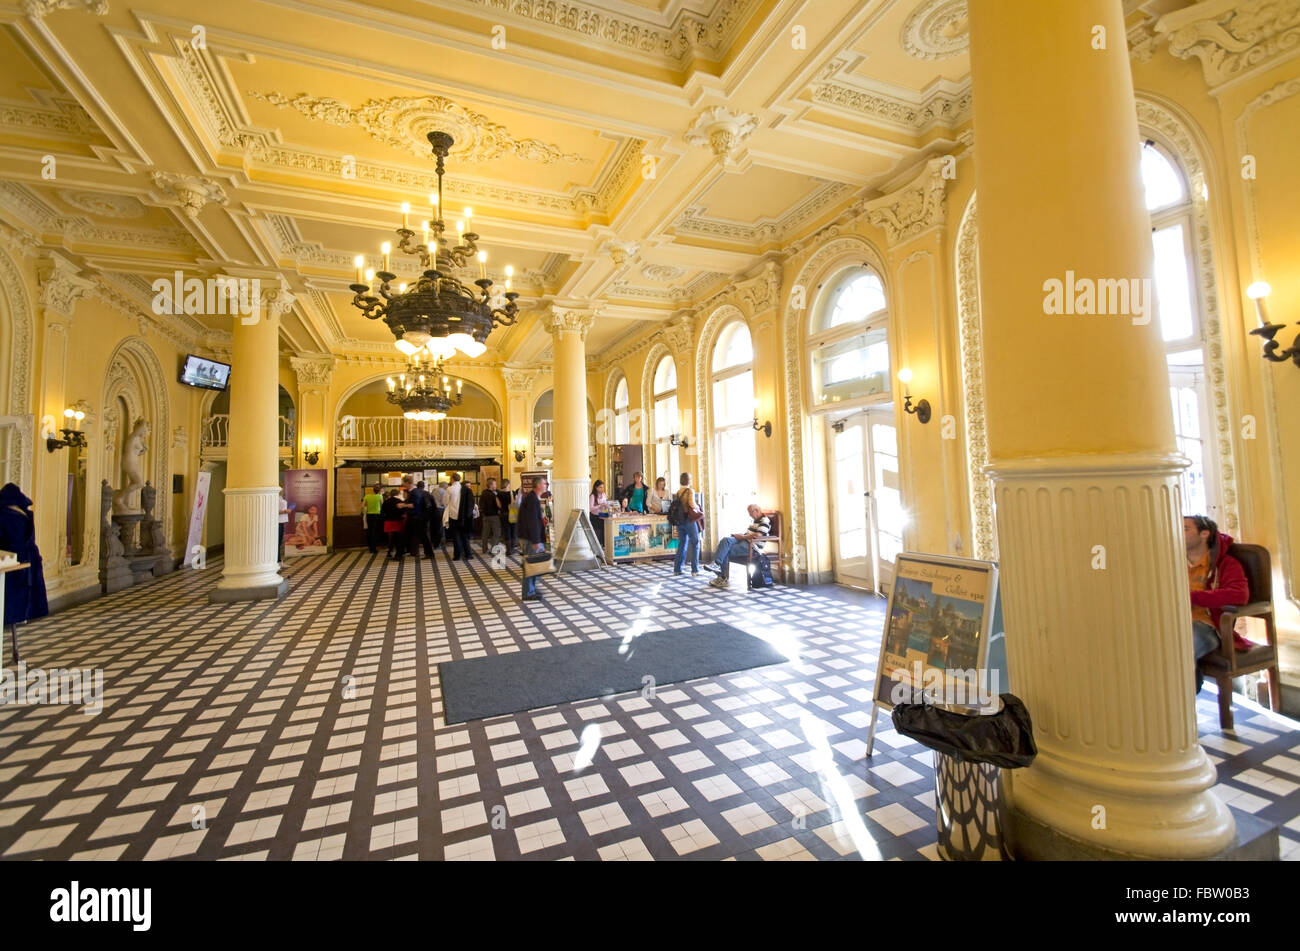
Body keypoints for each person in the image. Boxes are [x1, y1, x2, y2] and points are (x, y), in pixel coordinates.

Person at [1185, 515, 1251, 694]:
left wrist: (1192, 597)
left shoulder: (1225, 564)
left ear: (1204, 534)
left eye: (1185, 529)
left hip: (1206, 626)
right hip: (1174, 623)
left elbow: (1239, 594)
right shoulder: (1173, 563)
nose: (1178, 533)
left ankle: (1182, 709)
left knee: (1180, 651)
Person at [0, 484, 49, 658]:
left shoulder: (4, 515)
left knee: (8, 601)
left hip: (12, 560)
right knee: (16, 600)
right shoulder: (24, 513)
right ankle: (14, 645)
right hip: (27, 559)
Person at [705, 503, 771, 588]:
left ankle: (721, 576)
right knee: (725, 540)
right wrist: (740, 536)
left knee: (725, 551)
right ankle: (716, 565)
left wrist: (743, 536)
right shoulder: (756, 520)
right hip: (744, 540)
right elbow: (750, 533)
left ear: (757, 511)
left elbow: (758, 535)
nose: (750, 516)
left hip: (752, 546)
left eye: (751, 513)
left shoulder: (765, 520)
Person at [518, 475, 548, 601]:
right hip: (531, 539)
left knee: (534, 565)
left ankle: (532, 589)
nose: (546, 485)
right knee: (531, 566)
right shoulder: (532, 500)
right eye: (544, 483)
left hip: (530, 537)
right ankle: (528, 593)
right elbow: (532, 522)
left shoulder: (533, 498)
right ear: (538, 485)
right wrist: (536, 541)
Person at [671, 473, 701, 576]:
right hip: (689, 520)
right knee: (696, 543)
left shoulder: (679, 492)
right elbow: (691, 504)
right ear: (689, 480)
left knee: (682, 543)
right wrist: (698, 507)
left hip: (680, 521)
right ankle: (695, 570)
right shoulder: (690, 491)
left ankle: (677, 569)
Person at [407, 480, 433, 559]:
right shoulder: (427, 493)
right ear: (424, 486)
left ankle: (416, 551)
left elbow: (414, 506)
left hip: (418, 517)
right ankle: (428, 553)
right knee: (425, 535)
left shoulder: (415, 493)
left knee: (417, 535)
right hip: (425, 517)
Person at [381, 489, 410, 560]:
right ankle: (399, 552)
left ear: (390, 494)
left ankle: (390, 551)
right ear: (398, 494)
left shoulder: (386, 502)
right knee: (398, 538)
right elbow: (404, 512)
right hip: (398, 522)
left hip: (388, 522)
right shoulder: (400, 502)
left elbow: (382, 512)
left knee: (391, 538)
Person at [442, 472, 465, 561]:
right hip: (462, 514)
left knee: (456, 536)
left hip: (453, 514)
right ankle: (464, 552)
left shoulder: (450, 489)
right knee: (463, 534)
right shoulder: (463, 488)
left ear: (452, 479)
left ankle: (457, 555)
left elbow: (445, 501)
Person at [480, 477, 503, 554]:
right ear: (491, 485)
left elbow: (481, 504)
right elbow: (499, 505)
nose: (496, 485)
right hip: (494, 516)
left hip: (485, 516)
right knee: (496, 533)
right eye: (495, 484)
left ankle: (484, 549)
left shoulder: (483, 493)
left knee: (485, 533)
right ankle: (494, 548)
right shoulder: (494, 494)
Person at [363, 485, 384, 554]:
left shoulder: (367, 496)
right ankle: (374, 548)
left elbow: (362, 506)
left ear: (373, 490)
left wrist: (365, 510)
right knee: (375, 532)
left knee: (370, 531)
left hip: (369, 515)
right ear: (379, 491)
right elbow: (382, 505)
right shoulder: (380, 496)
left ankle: (371, 548)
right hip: (377, 515)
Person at [500, 479, 517, 554]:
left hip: (503, 515)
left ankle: (508, 549)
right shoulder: (512, 493)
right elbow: (516, 503)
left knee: (506, 532)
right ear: (508, 484)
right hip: (512, 514)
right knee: (513, 531)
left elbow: (499, 505)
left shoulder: (498, 494)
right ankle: (512, 548)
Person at [430, 479, 448, 550]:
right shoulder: (443, 491)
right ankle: (439, 544)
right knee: (440, 527)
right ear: (444, 486)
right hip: (440, 510)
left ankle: (434, 543)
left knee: (434, 527)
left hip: (433, 511)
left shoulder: (434, 490)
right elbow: (443, 502)